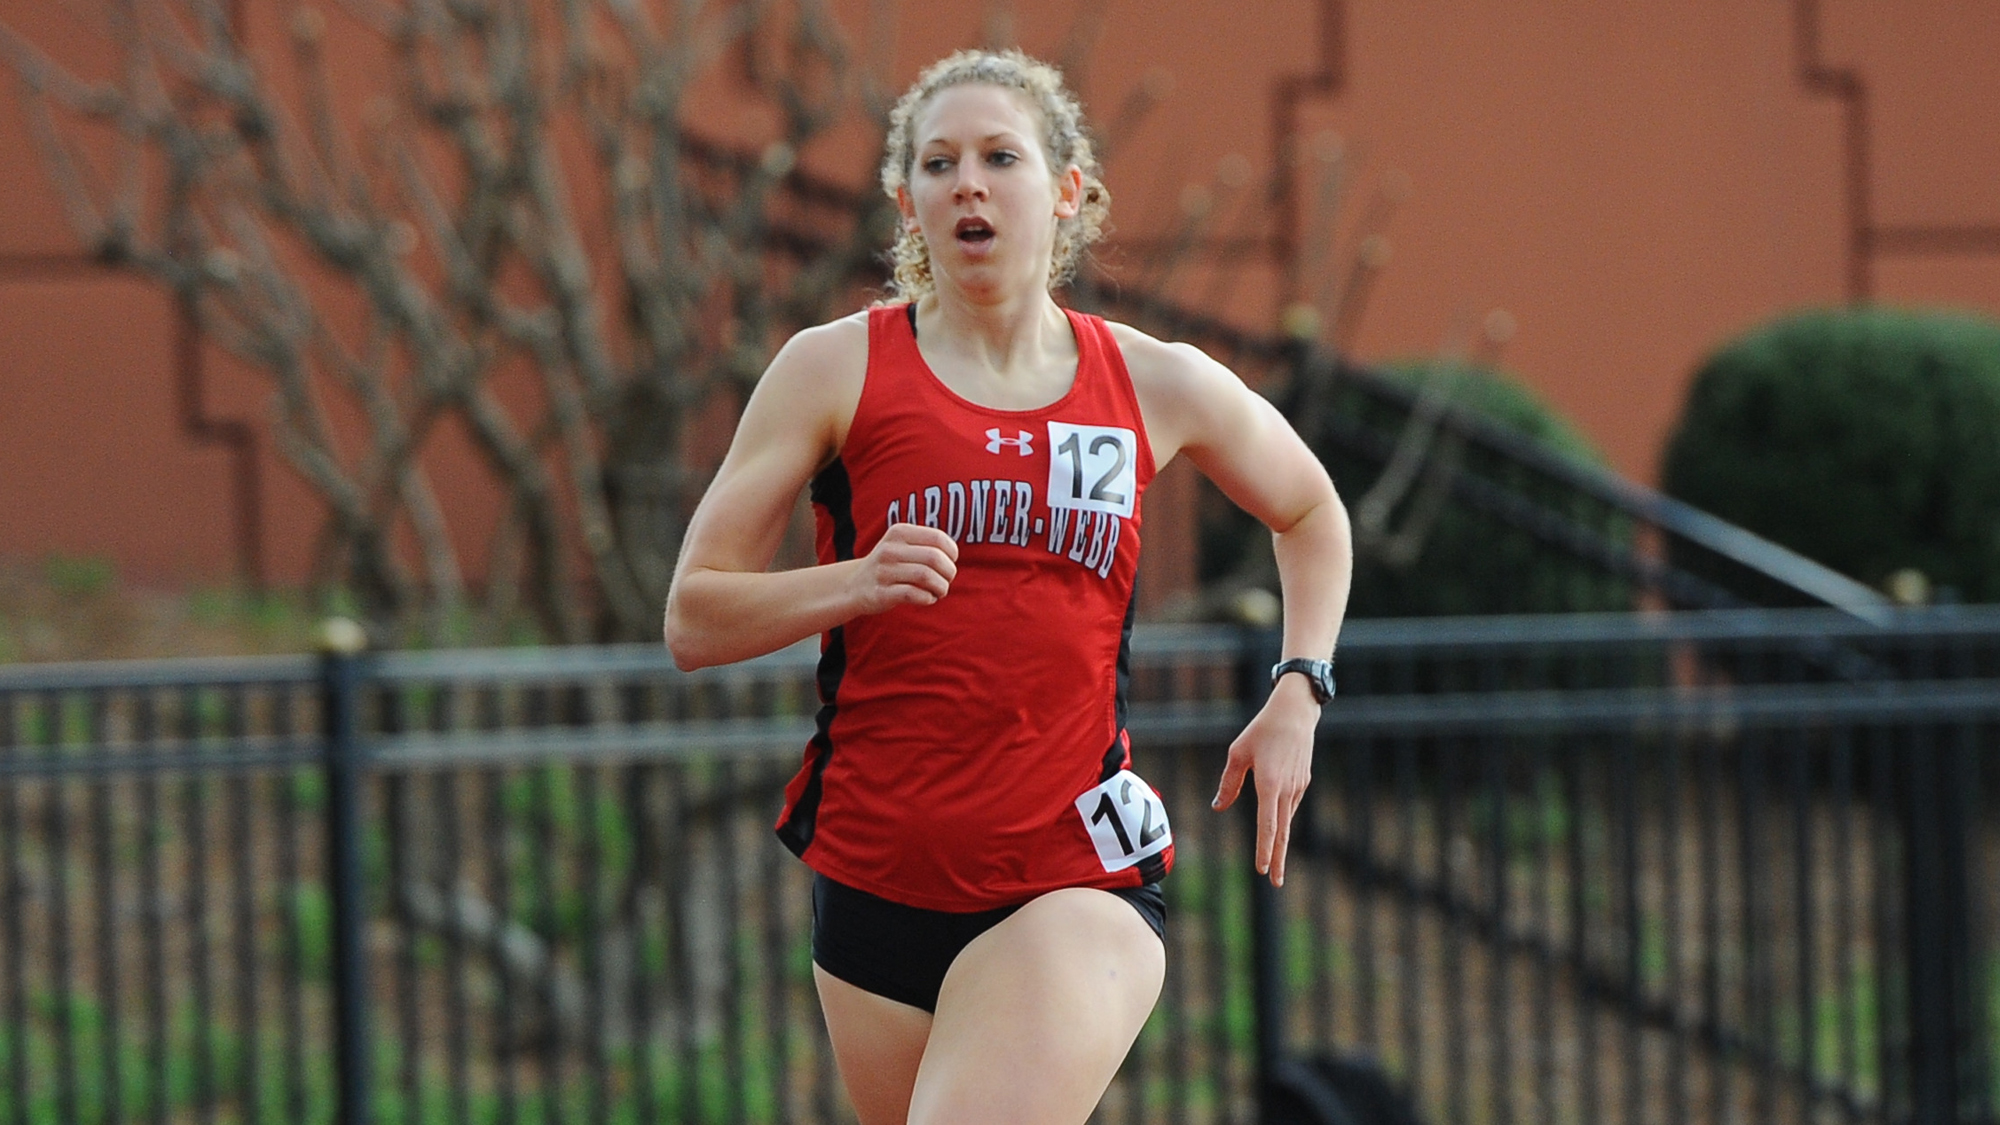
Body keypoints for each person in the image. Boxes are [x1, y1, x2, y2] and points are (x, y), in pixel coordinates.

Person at [664, 48, 1352, 1125]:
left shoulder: (1148, 381)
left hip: (1071, 877)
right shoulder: (833, 368)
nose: (967, 183)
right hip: (874, 885)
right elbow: (694, 616)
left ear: (1065, 190)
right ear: (908, 203)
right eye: (937, 164)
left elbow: (1309, 512)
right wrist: (853, 581)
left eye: (998, 157)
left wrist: (1298, 687)